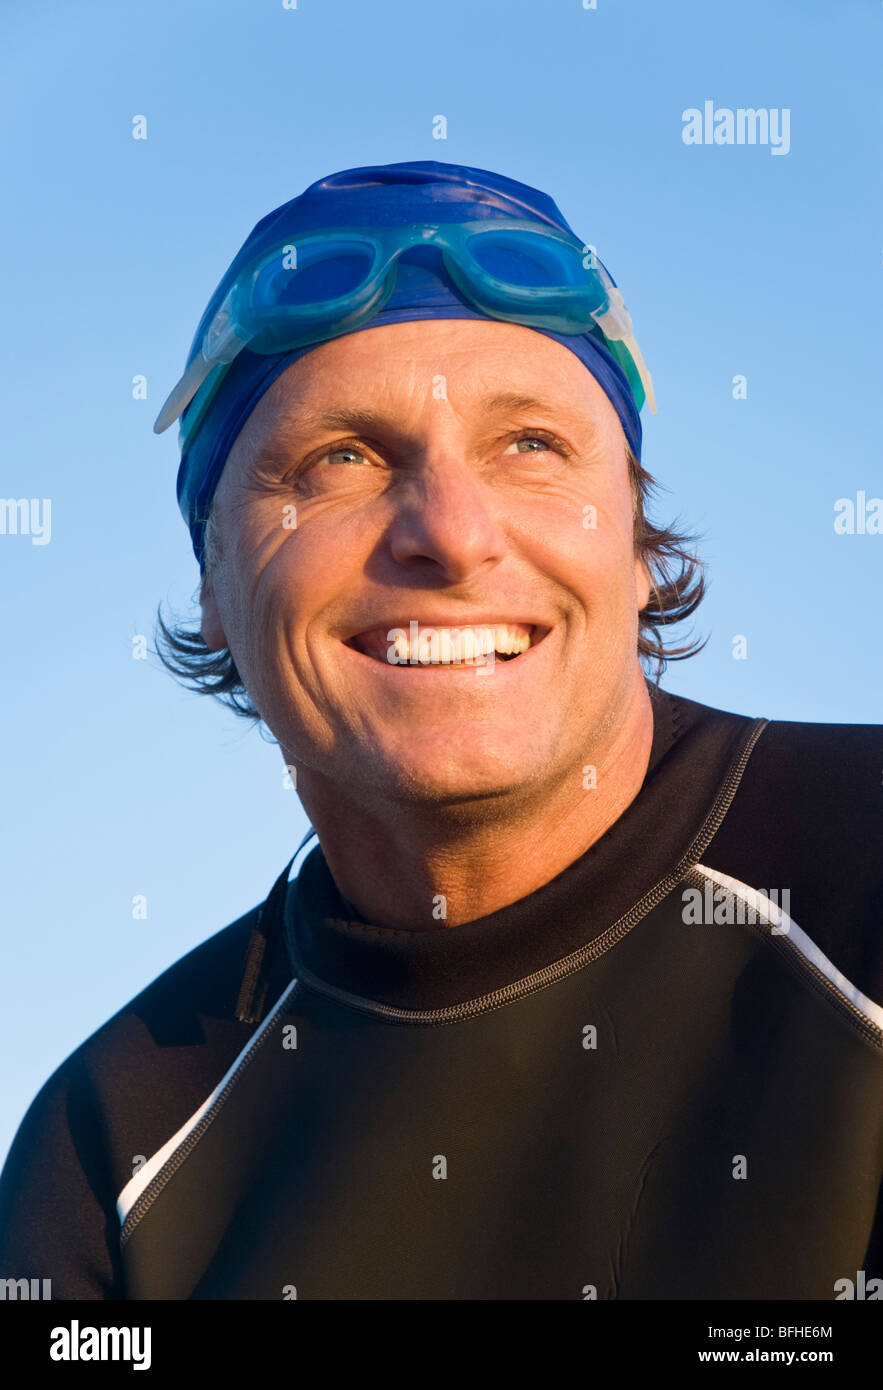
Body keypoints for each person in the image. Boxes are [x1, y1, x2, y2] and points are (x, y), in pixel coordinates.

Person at [1, 161, 880, 1301]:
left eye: (530, 446)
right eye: (342, 459)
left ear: (635, 542)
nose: (453, 535)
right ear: (213, 580)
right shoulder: (113, 1144)